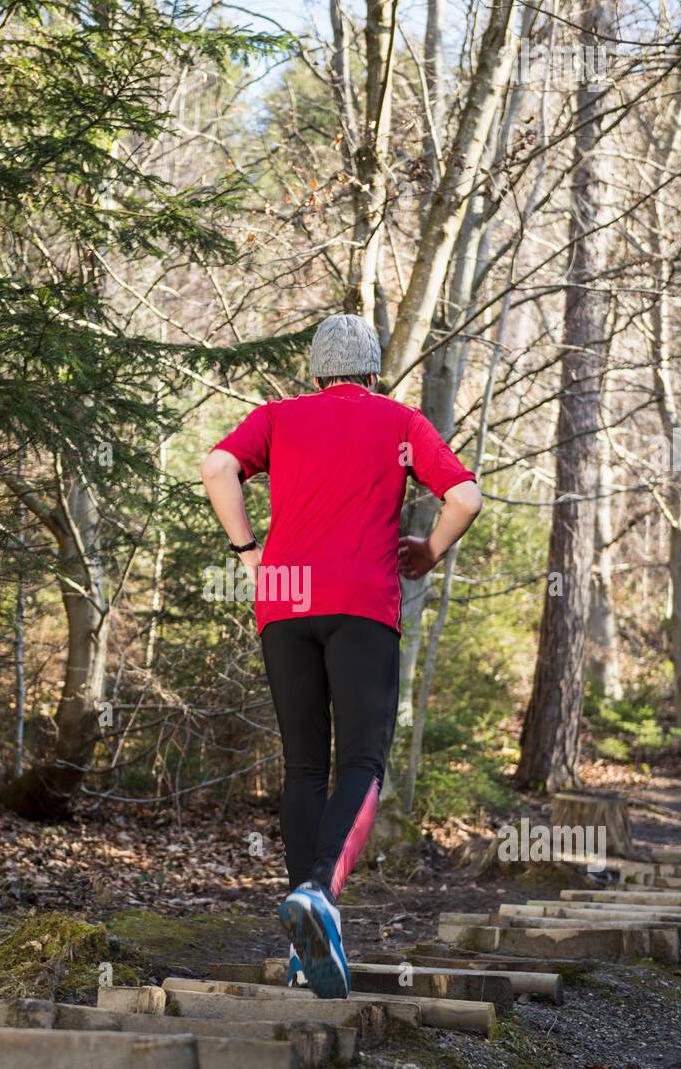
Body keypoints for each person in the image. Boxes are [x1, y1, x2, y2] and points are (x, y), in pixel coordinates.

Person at [200, 314, 482, 997]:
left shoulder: (277, 416)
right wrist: (430, 549)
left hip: (283, 602)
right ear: (372, 373)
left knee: (302, 764)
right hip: (361, 605)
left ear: (315, 372)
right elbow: (465, 496)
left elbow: (216, 467)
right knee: (359, 760)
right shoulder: (399, 421)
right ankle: (320, 895)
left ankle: (302, 944)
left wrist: (248, 554)